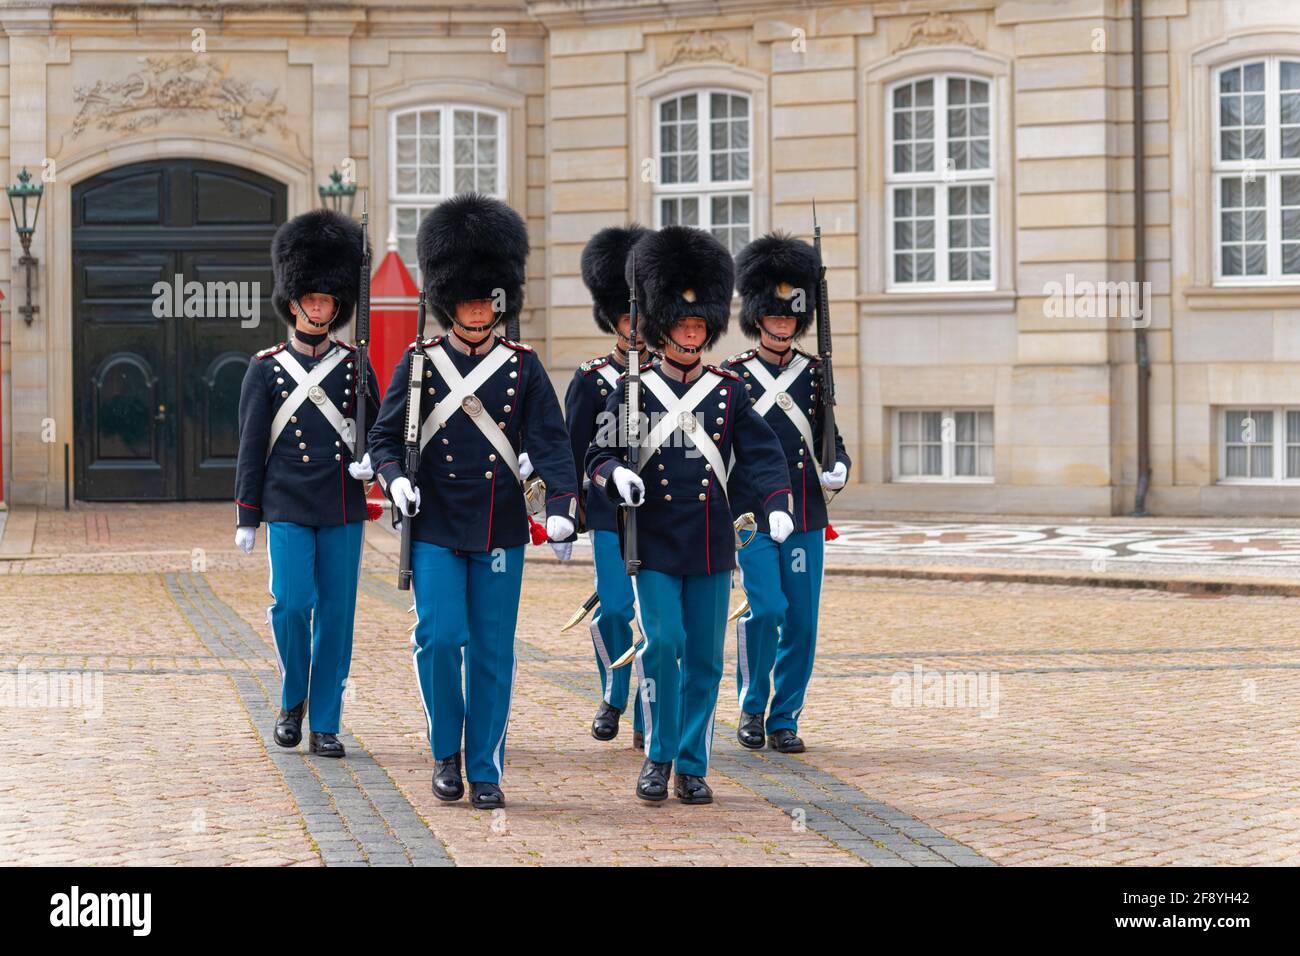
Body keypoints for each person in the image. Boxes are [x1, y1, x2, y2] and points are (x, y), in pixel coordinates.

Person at [368, 193, 577, 809]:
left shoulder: (523, 367)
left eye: (487, 298)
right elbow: (384, 437)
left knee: (491, 647)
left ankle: (484, 765)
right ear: (447, 302)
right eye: (466, 298)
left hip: (499, 526)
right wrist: (392, 478)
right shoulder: (419, 363)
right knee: (438, 637)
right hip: (433, 522)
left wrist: (562, 506)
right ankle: (444, 752)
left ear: (500, 299)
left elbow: (552, 442)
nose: (477, 308)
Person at [586, 225, 792, 805]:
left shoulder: (726, 393)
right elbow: (598, 455)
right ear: (663, 327)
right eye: (684, 323)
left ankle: (692, 765)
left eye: (701, 325)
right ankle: (658, 755)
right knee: (662, 645)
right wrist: (613, 475)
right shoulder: (634, 391)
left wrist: (778, 504)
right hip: (653, 544)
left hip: (707, 544)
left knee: (703, 660)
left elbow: (761, 455)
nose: (694, 331)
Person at [234, 208, 381, 759]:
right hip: (288, 501)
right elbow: (252, 444)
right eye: (311, 300)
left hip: (342, 504)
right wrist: (247, 514)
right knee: (292, 605)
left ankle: (325, 721)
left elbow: (375, 428)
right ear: (293, 303)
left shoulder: (354, 364)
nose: (320, 309)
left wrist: (373, 463)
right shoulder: (266, 367)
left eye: (327, 302)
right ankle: (292, 697)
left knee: (337, 616)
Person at [725, 232, 851, 754]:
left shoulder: (814, 375)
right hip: (751, 513)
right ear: (758, 318)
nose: (782, 324)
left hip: (803, 511)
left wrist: (839, 466)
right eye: (774, 317)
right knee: (768, 608)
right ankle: (752, 705)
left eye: (790, 318)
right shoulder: (732, 376)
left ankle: (785, 716)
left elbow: (831, 438)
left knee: (801, 618)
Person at [565, 224, 653, 747]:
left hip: (660, 512)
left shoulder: (668, 377)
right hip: (606, 511)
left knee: (652, 615)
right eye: (627, 317)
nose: (636, 327)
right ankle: (614, 691)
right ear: (613, 321)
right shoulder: (592, 377)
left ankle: (646, 712)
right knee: (617, 609)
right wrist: (566, 511)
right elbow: (574, 448)